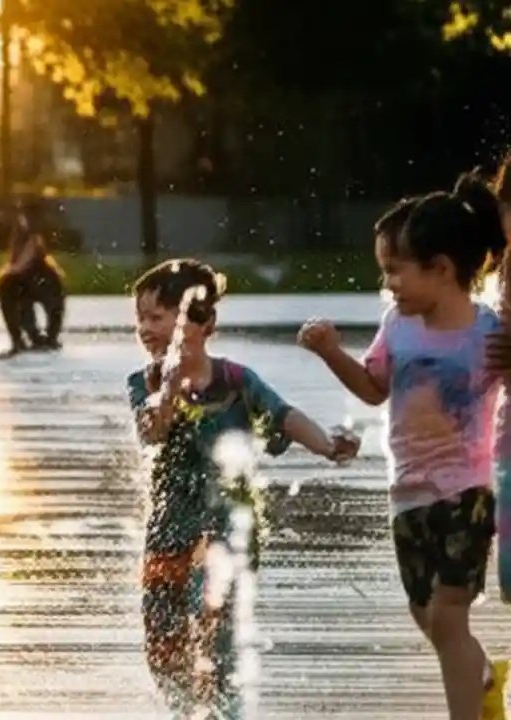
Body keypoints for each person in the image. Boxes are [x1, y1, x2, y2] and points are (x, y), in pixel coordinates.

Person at [301, 174, 509, 720]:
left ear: (441, 270)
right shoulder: (398, 326)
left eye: (397, 270)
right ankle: (482, 676)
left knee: (448, 615)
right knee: (425, 613)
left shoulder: (489, 333)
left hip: (467, 490)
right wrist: (330, 352)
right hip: (408, 495)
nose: (388, 283)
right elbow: (374, 388)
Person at [129, 258, 358, 717]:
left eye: (157, 317)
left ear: (203, 322)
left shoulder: (236, 381)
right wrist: (170, 386)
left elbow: (284, 416)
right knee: (163, 648)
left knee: (215, 627)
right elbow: (153, 430)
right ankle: (187, 710)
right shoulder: (145, 382)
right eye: (140, 319)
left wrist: (327, 445)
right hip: (168, 530)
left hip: (227, 529)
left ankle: (225, 711)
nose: (145, 328)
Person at [0, 199, 66, 360]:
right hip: (25, 281)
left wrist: (12, 271)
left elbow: (31, 250)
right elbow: (15, 259)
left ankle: (45, 338)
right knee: (9, 291)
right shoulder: (19, 233)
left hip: (39, 279)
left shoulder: (35, 234)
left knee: (13, 290)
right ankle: (23, 338)